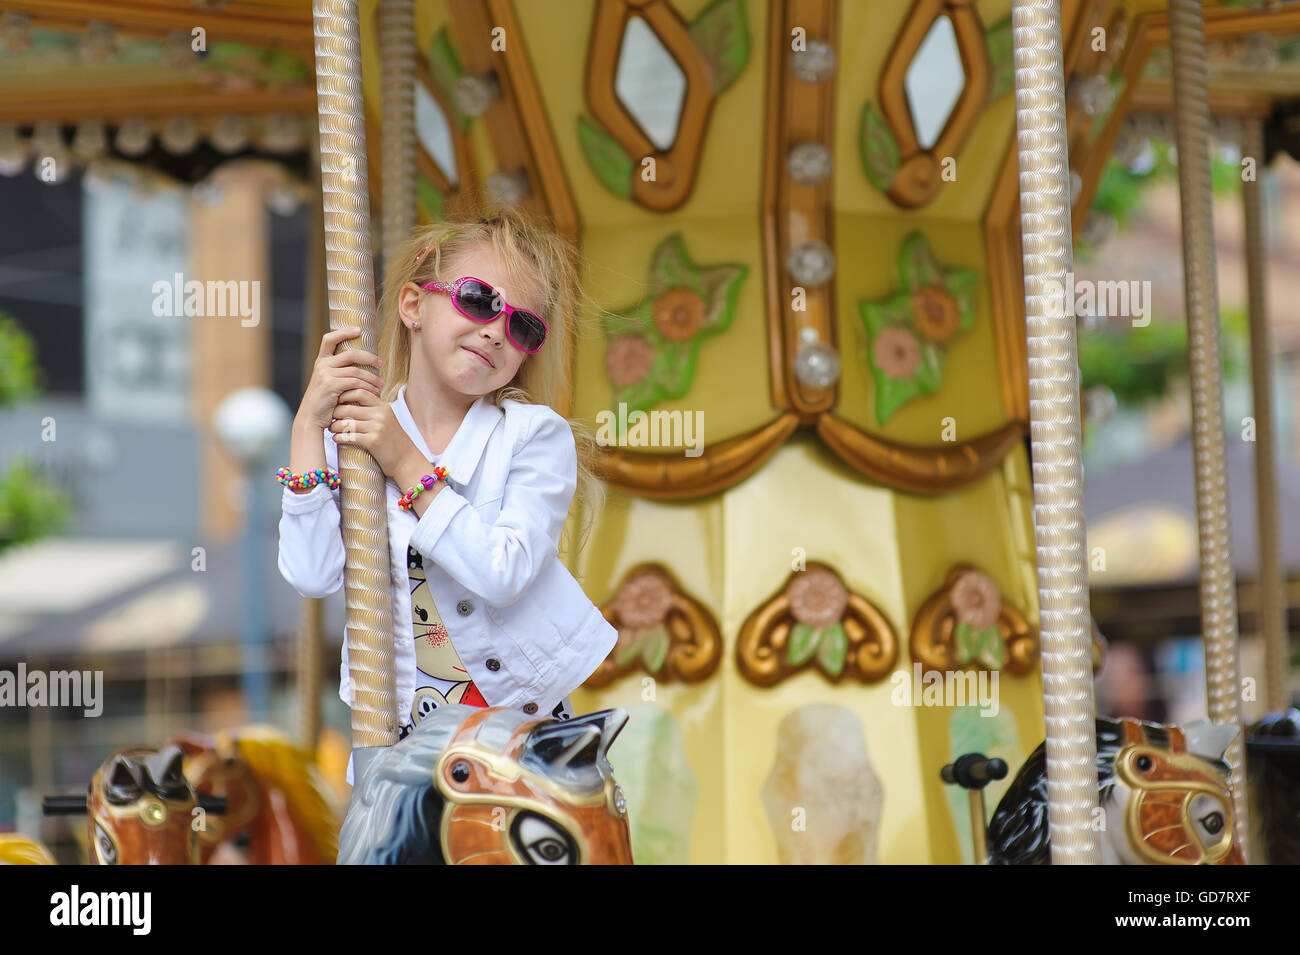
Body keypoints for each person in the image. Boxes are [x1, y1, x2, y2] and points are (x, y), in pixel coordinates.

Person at [276, 210, 617, 778]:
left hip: (514, 726)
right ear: (413, 306)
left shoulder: (532, 437)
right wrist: (307, 428)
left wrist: (404, 461)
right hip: (398, 734)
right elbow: (312, 574)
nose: (494, 329)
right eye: (479, 300)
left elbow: (502, 572)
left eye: (522, 326)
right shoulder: (356, 440)